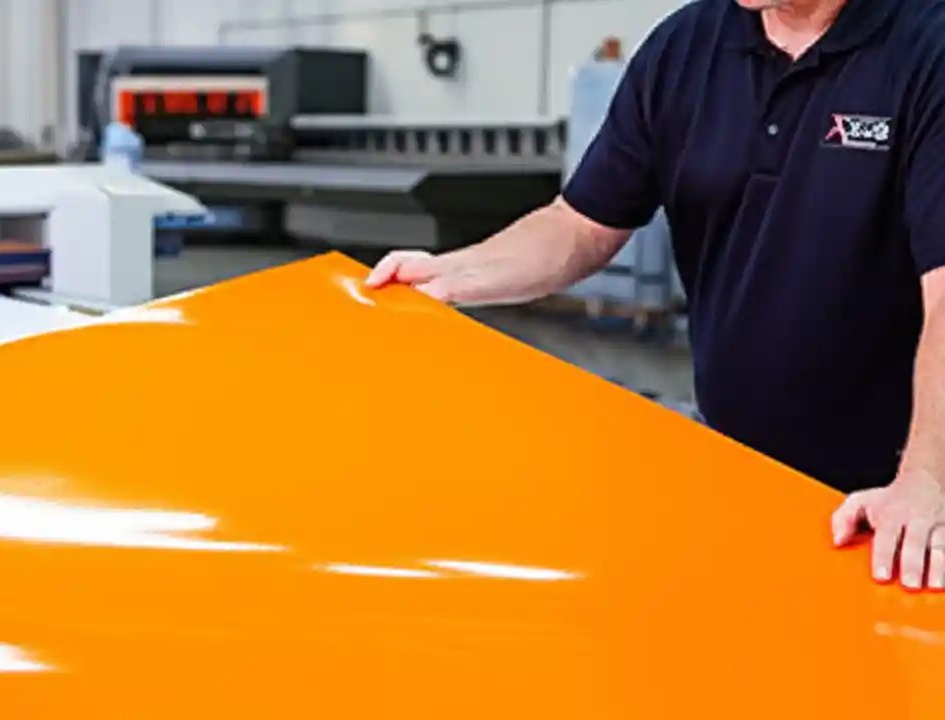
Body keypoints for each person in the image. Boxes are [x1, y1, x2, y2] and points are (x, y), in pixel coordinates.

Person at [367, 0, 945, 590]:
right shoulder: (686, 46)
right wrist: (451, 274)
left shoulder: (927, 46)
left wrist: (925, 480)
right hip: (738, 480)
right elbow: (581, 224)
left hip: (891, 510)